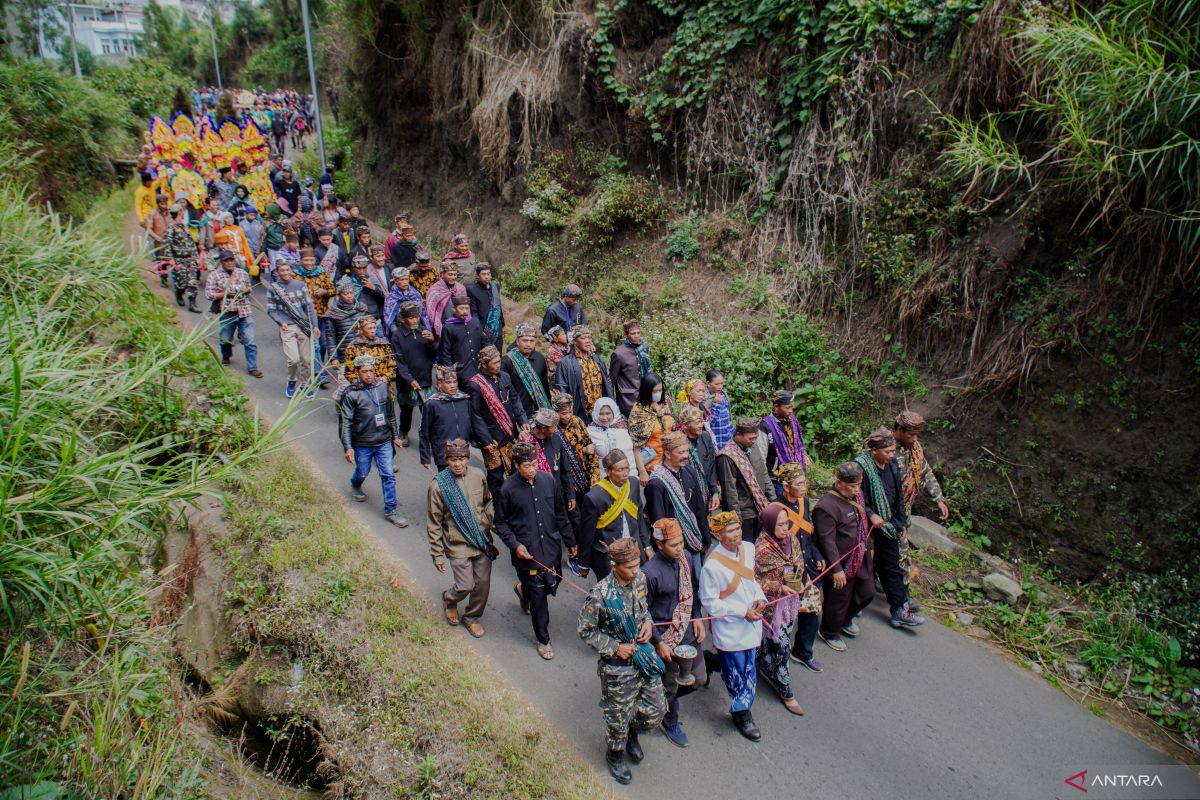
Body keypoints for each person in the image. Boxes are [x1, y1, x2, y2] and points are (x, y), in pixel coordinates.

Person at [576, 536, 666, 786]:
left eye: (637, 564)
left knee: (656, 711)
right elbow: (585, 631)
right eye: (630, 567)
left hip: (643, 657)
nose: (636, 570)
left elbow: (644, 608)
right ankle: (615, 754)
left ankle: (633, 734)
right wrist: (615, 647)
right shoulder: (600, 595)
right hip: (618, 669)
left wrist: (648, 623)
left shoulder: (640, 580)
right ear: (614, 566)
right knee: (617, 717)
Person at [495, 441, 575, 660]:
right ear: (517, 465)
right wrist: (516, 545)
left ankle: (524, 591)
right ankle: (543, 639)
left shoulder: (548, 481)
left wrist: (571, 542)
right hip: (527, 554)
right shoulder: (507, 490)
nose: (531, 469)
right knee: (540, 600)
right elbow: (500, 523)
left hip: (550, 547)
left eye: (534, 464)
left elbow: (560, 514)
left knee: (553, 582)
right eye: (526, 465)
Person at [700, 510, 767, 742]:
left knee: (746, 663)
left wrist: (760, 598)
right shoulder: (712, 566)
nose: (736, 534)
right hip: (731, 626)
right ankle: (742, 714)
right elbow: (710, 603)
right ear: (718, 535)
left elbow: (751, 580)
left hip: (752, 620)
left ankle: (710, 661)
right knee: (739, 674)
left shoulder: (748, 548)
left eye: (737, 528)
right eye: (730, 531)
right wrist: (741, 611)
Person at [642, 518, 706, 749]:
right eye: (674, 544)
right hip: (664, 637)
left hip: (687, 631)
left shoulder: (686, 559)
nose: (680, 548)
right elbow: (643, 613)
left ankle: (660, 699)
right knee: (670, 684)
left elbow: (693, 591)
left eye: (681, 543)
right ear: (659, 545)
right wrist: (658, 642)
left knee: (698, 679)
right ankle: (670, 720)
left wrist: (697, 616)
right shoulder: (649, 573)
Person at [855, 427, 926, 629]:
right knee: (862, 565)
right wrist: (870, 514)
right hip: (867, 525)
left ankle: (899, 609)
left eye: (893, 451)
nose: (892, 455)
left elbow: (899, 497)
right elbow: (858, 498)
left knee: (891, 567)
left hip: (889, 526)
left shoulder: (892, 464)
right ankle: (855, 603)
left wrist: (900, 522)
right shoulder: (861, 466)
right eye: (888, 451)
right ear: (874, 450)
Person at [427, 438, 497, 638]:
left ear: (467, 458)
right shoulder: (438, 486)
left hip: (481, 540)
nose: (457, 464)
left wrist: (486, 522)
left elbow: (488, 501)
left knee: (482, 584)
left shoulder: (478, 475)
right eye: (452, 460)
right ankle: (450, 600)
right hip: (457, 543)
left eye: (461, 459)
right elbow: (433, 523)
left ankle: (472, 616)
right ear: (446, 461)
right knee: (465, 585)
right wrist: (437, 555)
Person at [754, 503, 812, 715]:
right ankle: (785, 689)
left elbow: (799, 562)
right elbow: (755, 579)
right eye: (780, 525)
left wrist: (797, 580)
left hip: (788, 603)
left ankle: (764, 664)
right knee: (782, 646)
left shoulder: (792, 540)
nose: (785, 528)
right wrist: (779, 586)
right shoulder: (762, 548)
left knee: (777, 641)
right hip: (771, 606)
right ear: (769, 524)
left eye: (786, 523)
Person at [339, 355, 408, 527]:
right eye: (364, 372)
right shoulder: (351, 394)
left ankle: (391, 510)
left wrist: (395, 436)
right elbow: (346, 422)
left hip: (383, 440)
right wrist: (348, 447)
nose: (369, 375)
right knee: (362, 471)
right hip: (363, 442)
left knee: (388, 475)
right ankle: (356, 484)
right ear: (357, 372)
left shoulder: (383, 387)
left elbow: (391, 414)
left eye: (371, 371)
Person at [813, 461, 875, 651]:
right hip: (841, 562)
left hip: (860, 556)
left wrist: (870, 546)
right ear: (839, 483)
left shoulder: (857, 497)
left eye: (858, 485)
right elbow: (826, 541)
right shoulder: (826, 506)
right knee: (838, 601)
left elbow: (863, 525)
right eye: (852, 486)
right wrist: (836, 569)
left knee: (867, 593)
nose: (857, 490)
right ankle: (829, 631)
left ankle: (845, 619)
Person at [892, 409, 950, 596]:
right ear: (899, 430)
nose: (914, 439)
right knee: (898, 553)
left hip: (903, 512)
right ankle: (901, 598)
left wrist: (938, 499)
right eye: (911, 435)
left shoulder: (915, 451)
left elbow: (925, 473)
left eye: (917, 435)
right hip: (884, 512)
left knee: (897, 551)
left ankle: (897, 592)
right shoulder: (884, 448)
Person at [644, 431, 711, 579]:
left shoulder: (689, 471)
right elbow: (659, 521)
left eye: (687, 451)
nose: (686, 455)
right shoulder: (657, 483)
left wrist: (706, 536)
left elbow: (700, 506)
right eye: (681, 452)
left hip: (694, 540)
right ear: (667, 454)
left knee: (698, 582)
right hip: (675, 546)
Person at [466, 345, 528, 500]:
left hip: (509, 432)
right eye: (494, 363)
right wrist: (485, 440)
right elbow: (476, 415)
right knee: (496, 475)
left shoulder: (504, 376)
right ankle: (497, 506)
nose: (498, 365)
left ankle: (514, 500)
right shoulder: (475, 385)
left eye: (499, 361)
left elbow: (514, 399)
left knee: (514, 468)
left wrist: (522, 419)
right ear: (484, 365)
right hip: (491, 437)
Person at [578, 450, 650, 580]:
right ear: (607, 471)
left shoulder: (633, 484)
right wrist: (584, 564)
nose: (625, 473)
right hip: (608, 555)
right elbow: (586, 534)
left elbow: (639, 518)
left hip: (634, 549)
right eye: (620, 469)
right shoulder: (594, 497)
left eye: (627, 468)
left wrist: (647, 545)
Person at [267, 260, 320, 399]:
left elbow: (309, 308)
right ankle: (291, 380)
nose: (285, 273)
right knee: (293, 359)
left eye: (287, 270)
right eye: (282, 271)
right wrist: (281, 322)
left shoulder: (301, 285)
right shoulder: (274, 288)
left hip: (303, 325)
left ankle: (305, 384)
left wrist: (314, 325)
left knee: (307, 359)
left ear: (291, 271)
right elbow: (271, 310)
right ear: (277, 272)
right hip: (288, 326)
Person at [717, 418, 777, 542]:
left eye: (756, 437)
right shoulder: (727, 456)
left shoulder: (753, 448)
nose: (754, 441)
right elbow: (730, 491)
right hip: (744, 514)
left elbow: (763, 474)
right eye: (751, 438)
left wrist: (773, 500)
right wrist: (736, 520)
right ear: (738, 435)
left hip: (760, 507)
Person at [204, 249, 262, 378]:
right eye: (226, 260)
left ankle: (252, 367)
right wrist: (226, 293)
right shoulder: (214, 275)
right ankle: (226, 355)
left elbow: (249, 288)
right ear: (221, 262)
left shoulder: (242, 273)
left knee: (250, 340)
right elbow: (209, 294)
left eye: (231, 260)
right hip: (227, 312)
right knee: (225, 339)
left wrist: (245, 290)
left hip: (244, 311)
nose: (229, 263)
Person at [420, 366, 485, 474]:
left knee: (463, 484)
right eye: (448, 382)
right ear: (439, 384)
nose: (453, 385)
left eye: (455, 382)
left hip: (463, 452)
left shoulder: (465, 401)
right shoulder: (432, 404)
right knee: (448, 486)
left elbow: (473, 425)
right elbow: (424, 432)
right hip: (444, 455)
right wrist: (425, 458)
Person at [390, 301, 436, 447]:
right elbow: (399, 362)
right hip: (408, 383)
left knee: (428, 411)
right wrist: (409, 380)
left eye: (416, 317)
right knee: (407, 411)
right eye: (411, 318)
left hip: (425, 379)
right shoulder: (398, 336)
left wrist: (432, 342)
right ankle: (403, 431)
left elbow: (433, 355)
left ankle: (431, 436)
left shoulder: (423, 331)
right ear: (403, 319)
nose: (415, 320)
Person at [553, 325, 612, 423]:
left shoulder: (597, 360)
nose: (587, 340)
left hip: (600, 412)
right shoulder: (565, 363)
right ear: (575, 341)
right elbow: (561, 389)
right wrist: (566, 413)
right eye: (583, 338)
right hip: (579, 412)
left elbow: (607, 382)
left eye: (589, 337)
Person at [628, 372, 676, 483]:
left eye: (660, 390)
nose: (658, 394)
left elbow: (673, 428)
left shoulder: (666, 403)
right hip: (652, 464)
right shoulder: (639, 412)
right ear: (646, 391)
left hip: (671, 458)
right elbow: (636, 447)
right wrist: (643, 472)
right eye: (654, 391)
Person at [294, 247, 336, 368]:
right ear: (301, 260)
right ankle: (317, 370)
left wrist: (324, 291)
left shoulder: (321, 273)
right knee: (312, 344)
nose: (309, 263)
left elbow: (333, 290)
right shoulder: (296, 276)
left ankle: (318, 365)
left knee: (323, 343)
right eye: (306, 260)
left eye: (311, 260)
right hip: (305, 316)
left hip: (321, 314)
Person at [760, 390, 808, 493]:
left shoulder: (792, 421)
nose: (790, 411)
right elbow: (761, 457)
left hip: (796, 475)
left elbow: (797, 445)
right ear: (776, 406)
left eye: (792, 407)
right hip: (777, 478)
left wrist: (803, 458)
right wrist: (766, 482)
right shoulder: (765, 426)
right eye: (787, 407)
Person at [503, 322, 551, 416]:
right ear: (517, 341)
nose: (528, 344)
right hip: (519, 411)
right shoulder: (507, 361)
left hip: (540, 410)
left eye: (531, 341)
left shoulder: (540, 358)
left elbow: (544, 385)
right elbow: (505, 391)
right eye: (524, 340)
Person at [553, 391, 599, 488]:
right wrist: (582, 450)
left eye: (570, 412)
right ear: (555, 412)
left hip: (585, 475)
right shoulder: (552, 430)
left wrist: (594, 478)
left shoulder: (577, 422)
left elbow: (591, 449)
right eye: (564, 413)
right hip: (566, 481)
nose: (568, 416)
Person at [163, 198, 202, 312]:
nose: (183, 213)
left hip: (189, 259)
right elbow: (167, 244)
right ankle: (179, 293)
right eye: (181, 211)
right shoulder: (171, 228)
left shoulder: (185, 227)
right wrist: (170, 259)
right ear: (178, 213)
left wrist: (196, 257)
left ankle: (192, 303)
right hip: (179, 259)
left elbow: (191, 243)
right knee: (182, 283)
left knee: (192, 281)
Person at [343, 315, 397, 397]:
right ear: (361, 329)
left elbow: (393, 367)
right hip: (364, 391)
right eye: (369, 328)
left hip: (384, 389)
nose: (373, 331)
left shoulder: (384, 344)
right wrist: (361, 381)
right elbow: (349, 373)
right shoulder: (353, 347)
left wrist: (386, 377)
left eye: (374, 328)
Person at [437, 295, 485, 383]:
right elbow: (445, 353)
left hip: (478, 370)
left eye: (467, 308)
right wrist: (451, 373)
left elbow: (485, 342)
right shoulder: (448, 327)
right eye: (461, 308)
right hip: (461, 372)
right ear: (454, 309)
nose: (465, 311)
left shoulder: (475, 322)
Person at [679, 406, 719, 511]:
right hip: (686, 494)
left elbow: (711, 466)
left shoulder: (705, 437)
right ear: (686, 425)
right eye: (697, 423)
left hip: (704, 492)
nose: (701, 425)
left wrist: (714, 492)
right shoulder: (678, 441)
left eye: (701, 422)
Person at [609, 319, 651, 417]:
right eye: (633, 333)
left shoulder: (644, 347)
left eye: (638, 332)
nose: (636, 336)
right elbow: (611, 380)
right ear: (626, 335)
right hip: (628, 400)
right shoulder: (618, 354)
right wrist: (611, 402)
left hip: (645, 395)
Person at [588, 397, 636, 478]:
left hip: (628, 475)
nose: (604, 417)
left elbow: (631, 454)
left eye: (607, 413)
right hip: (604, 478)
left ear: (614, 412)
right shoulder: (590, 431)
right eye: (601, 413)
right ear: (596, 413)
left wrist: (633, 476)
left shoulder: (624, 426)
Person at [324, 278, 367, 363]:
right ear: (339, 295)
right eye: (345, 294)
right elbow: (331, 337)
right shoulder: (333, 313)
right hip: (344, 354)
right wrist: (333, 358)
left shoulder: (362, 308)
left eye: (351, 293)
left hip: (363, 351)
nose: (349, 296)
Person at [426, 260, 467, 341]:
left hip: (459, 326)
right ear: (442, 274)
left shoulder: (460, 288)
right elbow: (431, 314)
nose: (453, 277)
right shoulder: (434, 290)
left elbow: (466, 309)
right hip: (443, 327)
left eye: (455, 274)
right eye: (450, 274)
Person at [467, 263, 504, 344]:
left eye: (488, 274)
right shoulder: (471, 289)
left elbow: (498, 307)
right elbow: (473, 312)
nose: (487, 276)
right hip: (482, 327)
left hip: (497, 327)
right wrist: (478, 329)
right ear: (478, 275)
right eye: (483, 274)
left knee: (498, 354)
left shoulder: (495, 287)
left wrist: (502, 325)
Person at [383, 267, 427, 334]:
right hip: (400, 331)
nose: (405, 282)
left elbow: (423, 314)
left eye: (406, 279)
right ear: (396, 281)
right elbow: (389, 318)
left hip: (417, 329)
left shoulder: (415, 294)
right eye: (402, 280)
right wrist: (397, 334)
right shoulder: (391, 297)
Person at [347, 254, 387, 322]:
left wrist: (373, 288)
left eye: (364, 268)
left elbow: (382, 296)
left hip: (374, 316)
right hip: (357, 318)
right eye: (359, 268)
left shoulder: (372, 279)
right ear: (354, 268)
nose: (362, 271)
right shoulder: (349, 282)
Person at [702, 370, 734, 450]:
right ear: (708, 383)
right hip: (716, 437)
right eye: (717, 384)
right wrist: (714, 403)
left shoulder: (723, 394)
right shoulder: (704, 399)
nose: (720, 386)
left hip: (728, 434)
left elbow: (728, 415)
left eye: (722, 383)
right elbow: (708, 421)